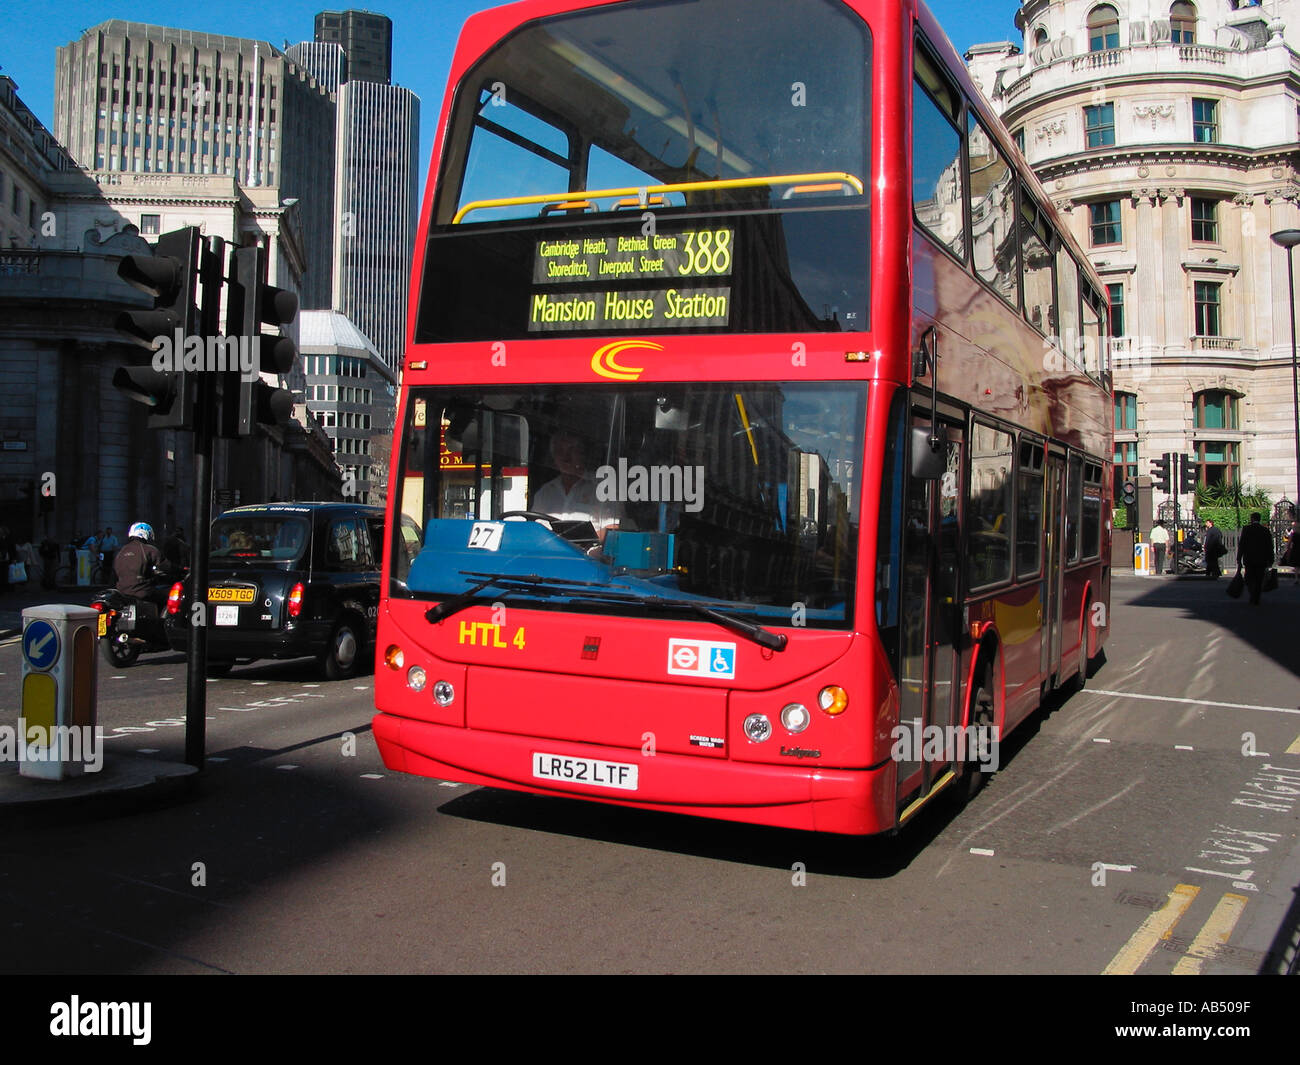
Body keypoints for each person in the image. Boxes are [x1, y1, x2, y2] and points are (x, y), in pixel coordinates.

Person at [531, 431, 624, 543]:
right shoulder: (544, 493)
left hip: (588, 558)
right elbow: (533, 530)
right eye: (560, 451)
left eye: (571, 450)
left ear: (582, 454)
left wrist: (581, 543)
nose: (566, 457)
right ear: (554, 458)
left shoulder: (603, 488)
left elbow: (613, 529)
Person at [114, 522, 172, 606]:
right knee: (171, 595)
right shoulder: (149, 550)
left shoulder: (121, 551)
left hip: (122, 592)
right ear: (147, 534)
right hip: (143, 591)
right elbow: (167, 567)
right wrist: (181, 569)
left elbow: (115, 573)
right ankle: (163, 618)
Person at [1235, 512, 1274, 606]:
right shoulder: (1265, 530)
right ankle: (1256, 596)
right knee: (1259, 579)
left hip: (1249, 558)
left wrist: (1239, 558)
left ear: (1252, 519)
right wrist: (1271, 559)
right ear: (1259, 519)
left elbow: (1242, 545)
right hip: (1262, 559)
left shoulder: (1247, 529)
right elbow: (1269, 546)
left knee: (1249, 578)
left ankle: (1252, 594)